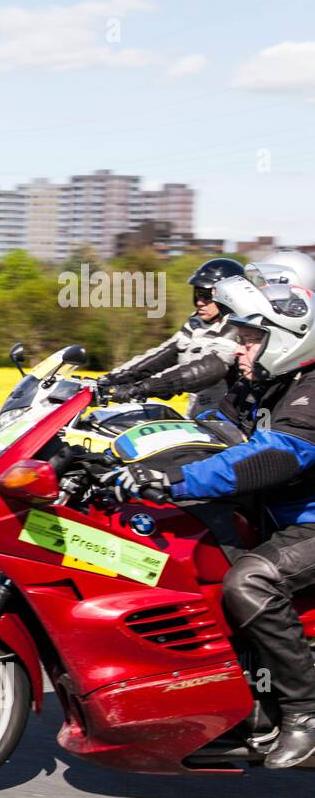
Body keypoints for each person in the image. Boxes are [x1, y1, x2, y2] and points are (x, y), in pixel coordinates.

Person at [105, 275, 315, 768]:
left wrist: (172, 482)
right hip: (276, 515)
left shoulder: (311, 392)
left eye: (250, 337)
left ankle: (305, 715)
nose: (238, 346)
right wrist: (119, 452)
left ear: (285, 337)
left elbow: (270, 458)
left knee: (251, 582)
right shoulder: (257, 385)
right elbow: (205, 433)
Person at [98, 258, 246, 416]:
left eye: (206, 295)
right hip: (201, 417)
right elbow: (164, 355)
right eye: (197, 294)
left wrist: (143, 388)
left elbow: (209, 368)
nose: (199, 302)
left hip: (230, 423)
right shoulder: (198, 322)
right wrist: (109, 380)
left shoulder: (239, 327)